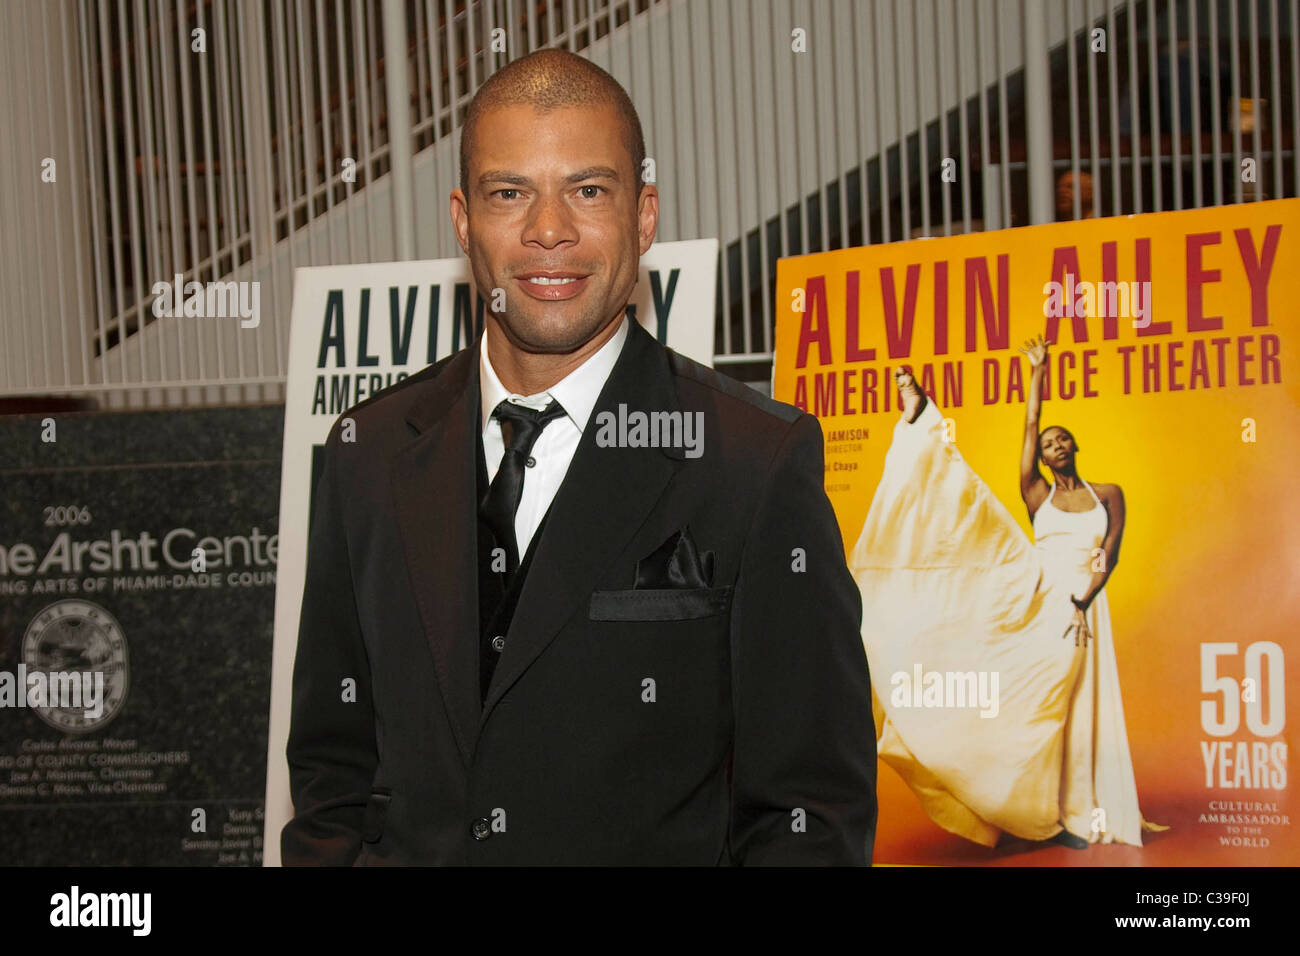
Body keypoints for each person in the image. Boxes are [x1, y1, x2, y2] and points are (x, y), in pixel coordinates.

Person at [281, 49, 876, 865]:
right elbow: (331, 771)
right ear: (464, 221)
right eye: (509, 192)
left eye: (588, 190)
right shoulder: (368, 454)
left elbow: (811, 812)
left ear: (643, 216)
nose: (547, 230)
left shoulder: (752, 461)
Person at [849, 334, 1164, 850]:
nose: (1054, 446)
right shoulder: (1036, 494)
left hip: (1080, 608)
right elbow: (1029, 424)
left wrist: (1083, 601)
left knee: (1065, 706)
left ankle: (1066, 812)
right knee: (962, 504)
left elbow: (1111, 553)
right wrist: (1037, 373)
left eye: (1062, 441)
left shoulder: (1108, 494)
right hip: (1039, 598)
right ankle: (922, 419)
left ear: (1075, 447)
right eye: (1047, 445)